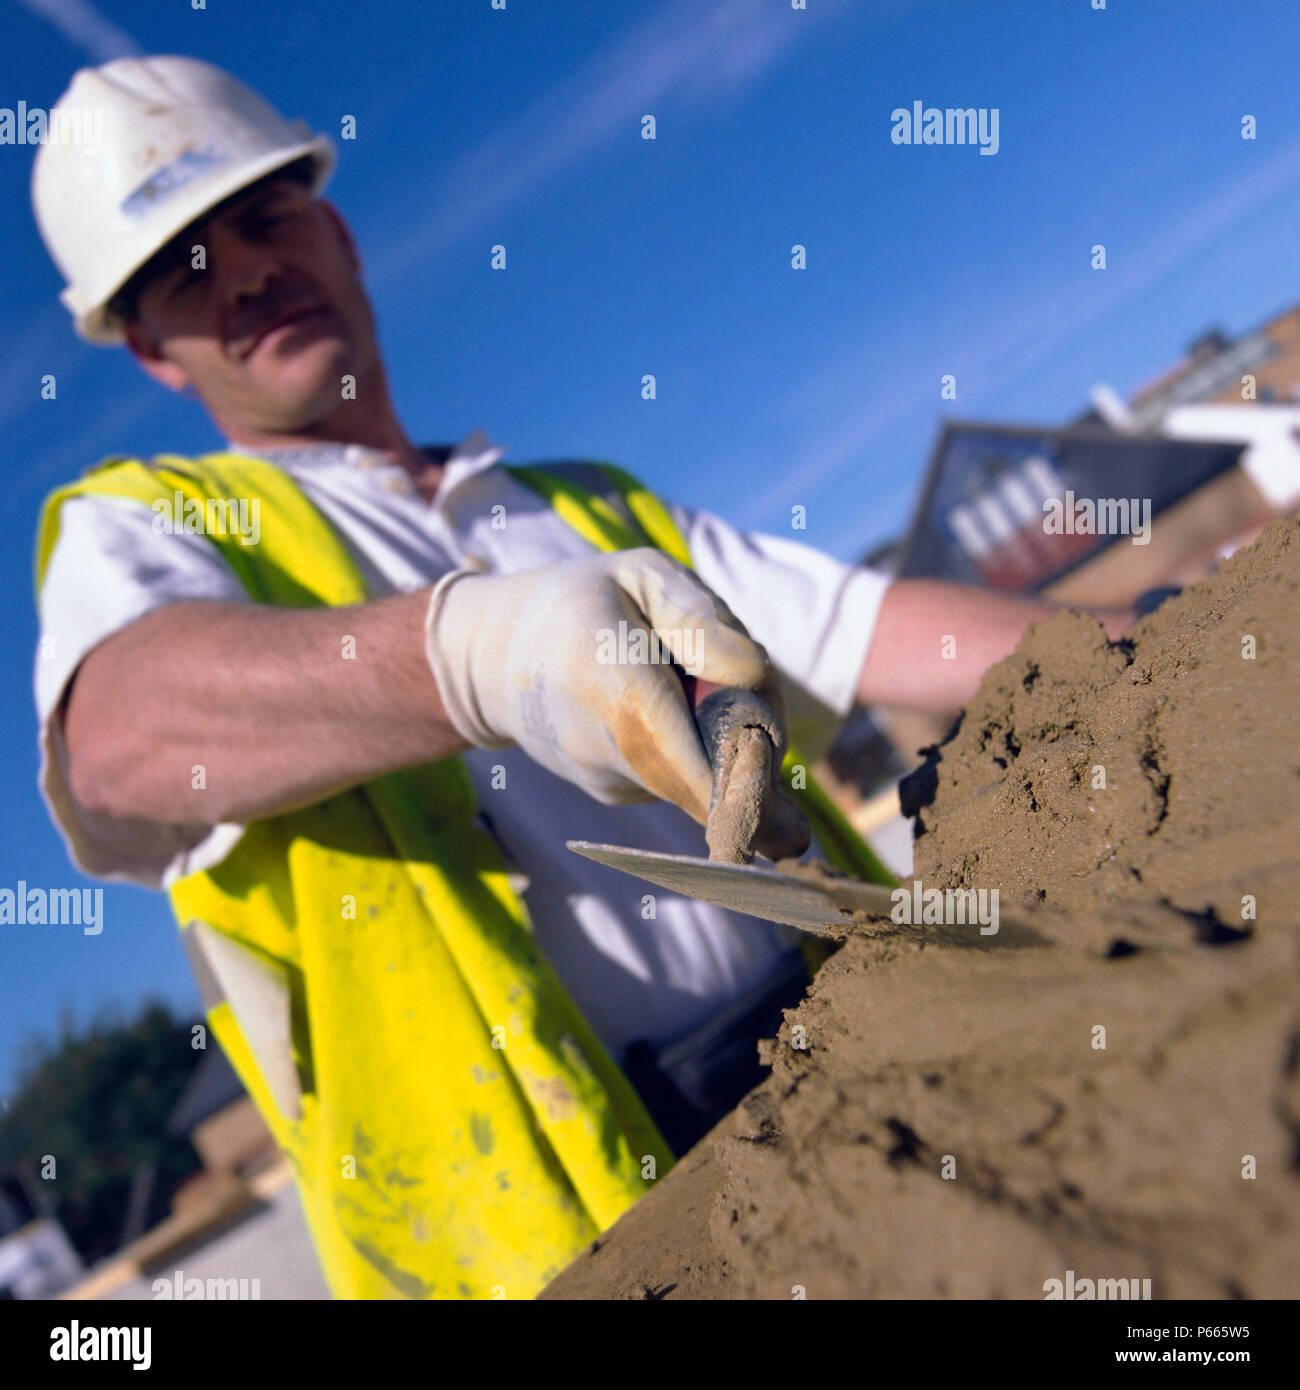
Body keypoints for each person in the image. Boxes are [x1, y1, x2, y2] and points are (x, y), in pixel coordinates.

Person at [30, 56, 1127, 1299]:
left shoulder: (582, 502)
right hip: (563, 1248)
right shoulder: (153, 533)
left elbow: (874, 625)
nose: (240, 273)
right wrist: (474, 654)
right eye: (180, 269)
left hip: (861, 1061)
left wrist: (1159, 649)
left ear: (332, 229)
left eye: (263, 218)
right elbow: (119, 742)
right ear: (148, 352)